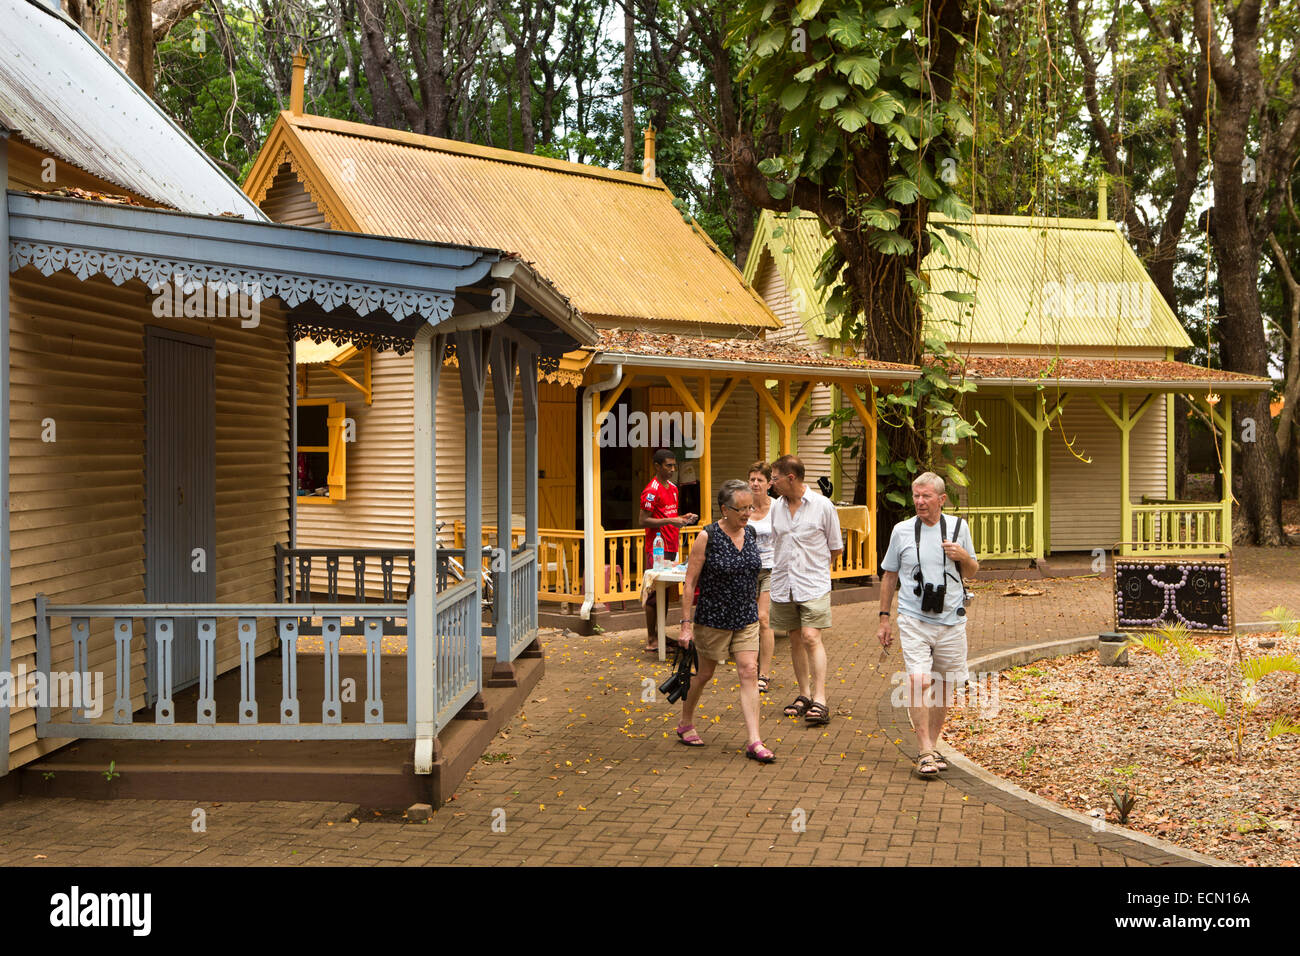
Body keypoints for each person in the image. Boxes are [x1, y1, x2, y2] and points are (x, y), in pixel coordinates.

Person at [876, 472, 979, 779]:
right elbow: (889, 575)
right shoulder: (902, 531)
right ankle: (923, 750)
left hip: (951, 620)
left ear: (941, 499)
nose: (919, 502)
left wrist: (962, 556)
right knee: (920, 681)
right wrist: (884, 617)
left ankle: (931, 747)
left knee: (946, 685)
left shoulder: (959, 528)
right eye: (916, 496)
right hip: (913, 618)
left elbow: (973, 571)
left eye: (926, 496)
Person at [675, 479, 774, 762]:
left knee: (748, 672)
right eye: (740, 508)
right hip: (713, 618)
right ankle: (685, 721)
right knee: (704, 674)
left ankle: (754, 740)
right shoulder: (707, 536)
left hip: (745, 617)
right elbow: (690, 580)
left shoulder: (751, 533)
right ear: (724, 509)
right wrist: (685, 624)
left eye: (750, 507)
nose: (746, 513)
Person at [768, 454, 842, 727]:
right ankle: (804, 695)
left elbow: (835, 547)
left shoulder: (823, 506)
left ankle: (820, 699)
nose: (771, 483)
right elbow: (777, 543)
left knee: (811, 637)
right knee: (795, 638)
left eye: (774, 478)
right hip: (783, 584)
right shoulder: (777, 507)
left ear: (790, 478)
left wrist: (817, 570)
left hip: (813, 584)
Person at [638, 449, 697, 653]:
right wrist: (671, 520)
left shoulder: (672, 487)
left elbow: (669, 513)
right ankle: (652, 638)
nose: (672, 469)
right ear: (657, 466)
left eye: (674, 465)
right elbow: (643, 520)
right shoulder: (651, 490)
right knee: (655, 594)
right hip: (656, 548)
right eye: (668, 466)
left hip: (671, 544)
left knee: (664, 593)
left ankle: (660, 635)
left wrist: (681, 518)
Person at [747, 462, 776, 693]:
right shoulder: (743, 506)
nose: (755, 484)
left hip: (771, 569)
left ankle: (764, 674)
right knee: (747, 621)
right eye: (752, 479)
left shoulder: (778, 508)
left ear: (769, 483)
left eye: (760, 480)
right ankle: (748, 668)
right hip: (746, 570)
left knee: (764, 618)